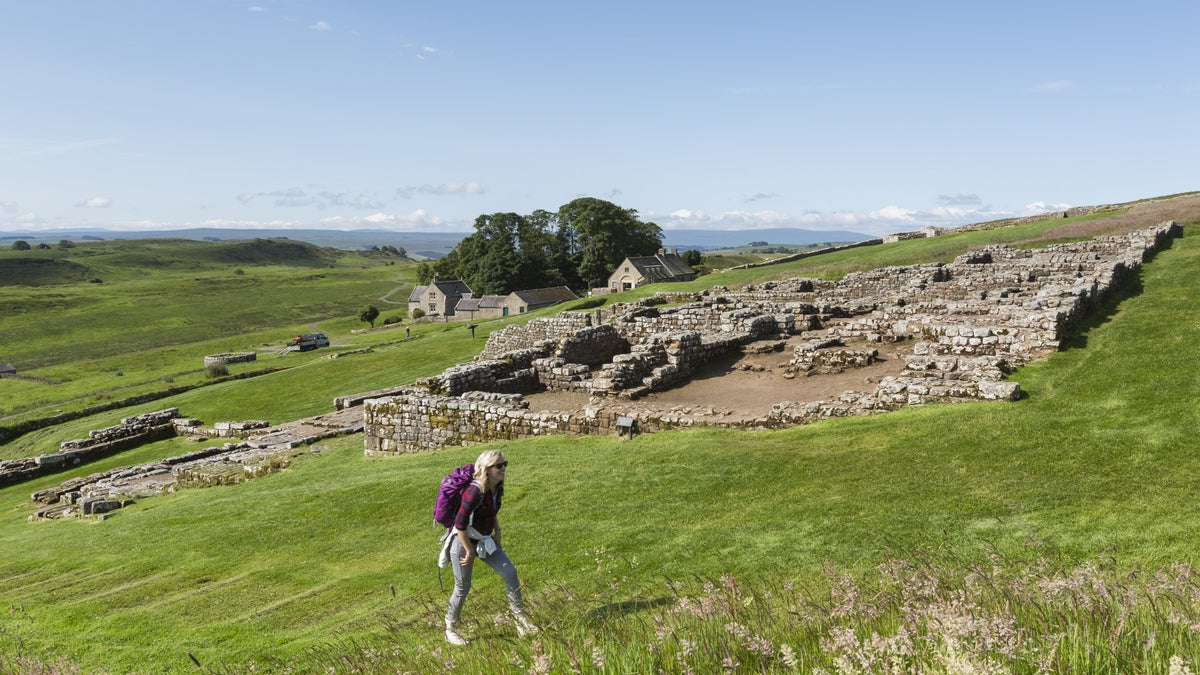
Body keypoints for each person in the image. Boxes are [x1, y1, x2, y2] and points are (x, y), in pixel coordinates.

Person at [442, 450, 537, 645]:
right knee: (462, 587)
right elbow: (460, 524)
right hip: (462, 541)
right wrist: (469, 550)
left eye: (504, 464)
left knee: (510, 573)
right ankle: (450, 629)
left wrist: (498, 531)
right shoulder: (474, 491)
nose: (503, 469)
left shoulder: (497, 487)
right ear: (487, 469)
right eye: (499, 466)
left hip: (484, 540)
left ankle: (521, 621)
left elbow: (491, 512)